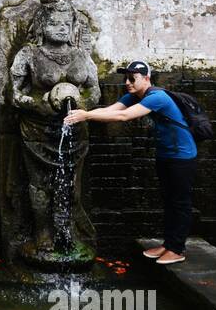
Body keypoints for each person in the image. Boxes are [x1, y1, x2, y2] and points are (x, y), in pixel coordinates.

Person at [63, 61, 198, 265]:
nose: (127, 82)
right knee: (168, 200)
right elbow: (111, 110)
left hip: (182, 156)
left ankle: (177, 249)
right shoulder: (134, 96)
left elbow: (123, 116)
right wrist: (83, 115)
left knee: (180, 203)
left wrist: (86, 115)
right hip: (165, 155)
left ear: (146, 78)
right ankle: (168, 244)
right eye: (126, 78)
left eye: (132, 78)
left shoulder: (157, 97)